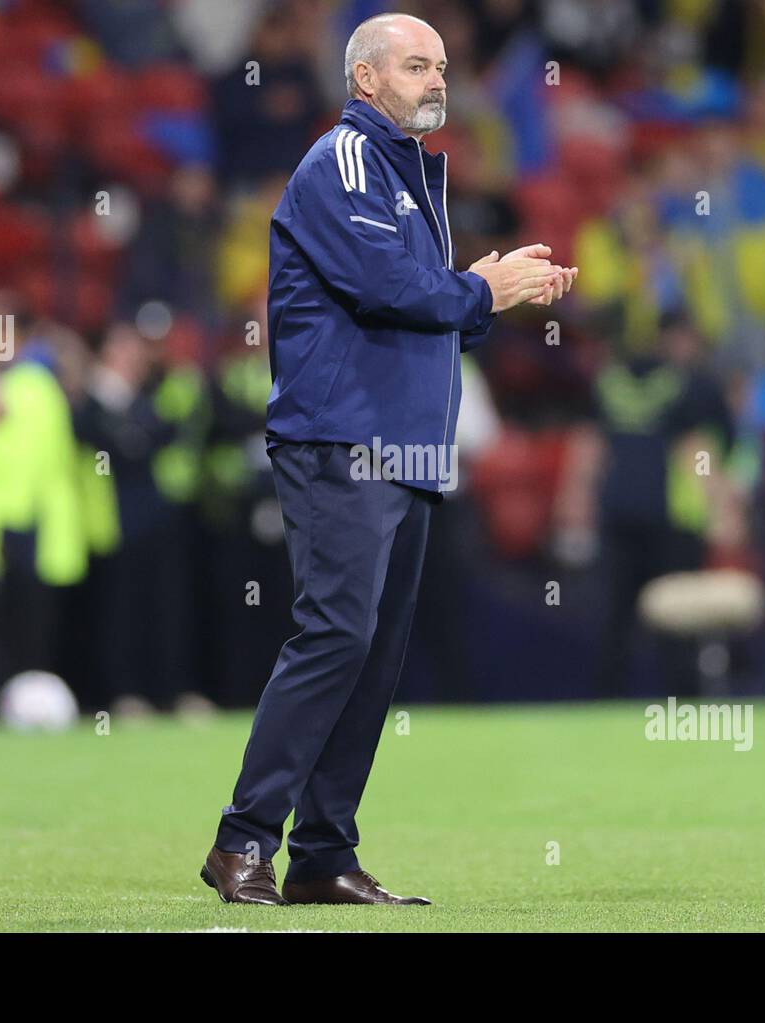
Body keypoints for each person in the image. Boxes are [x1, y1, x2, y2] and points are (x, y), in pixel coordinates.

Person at [201, 12, 576, 906]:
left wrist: (483, 289)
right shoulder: (346, 159)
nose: (436, 81)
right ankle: (242, 839)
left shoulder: (407, 176)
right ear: (364, 79)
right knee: (335, 633)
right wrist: (479, 286)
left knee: (373, 653)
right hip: (342, 437)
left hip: (405, 443)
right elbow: (388, 288)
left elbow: (415, 311)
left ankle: (324, 854)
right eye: (415, 66)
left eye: (441, 67)